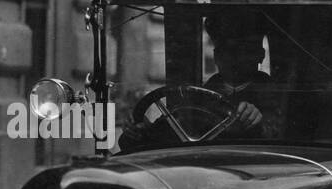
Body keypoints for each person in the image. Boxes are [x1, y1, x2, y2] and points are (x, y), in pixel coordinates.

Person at [118, 10, 281, 151]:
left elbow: (284, 137)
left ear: (260, 55)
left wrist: (258, 124)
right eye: (227, 50)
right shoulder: (198, 97)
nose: (234, 58)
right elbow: (172, 130)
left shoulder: (277, 94)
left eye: (244, 50)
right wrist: (141, 132)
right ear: (217, 56)